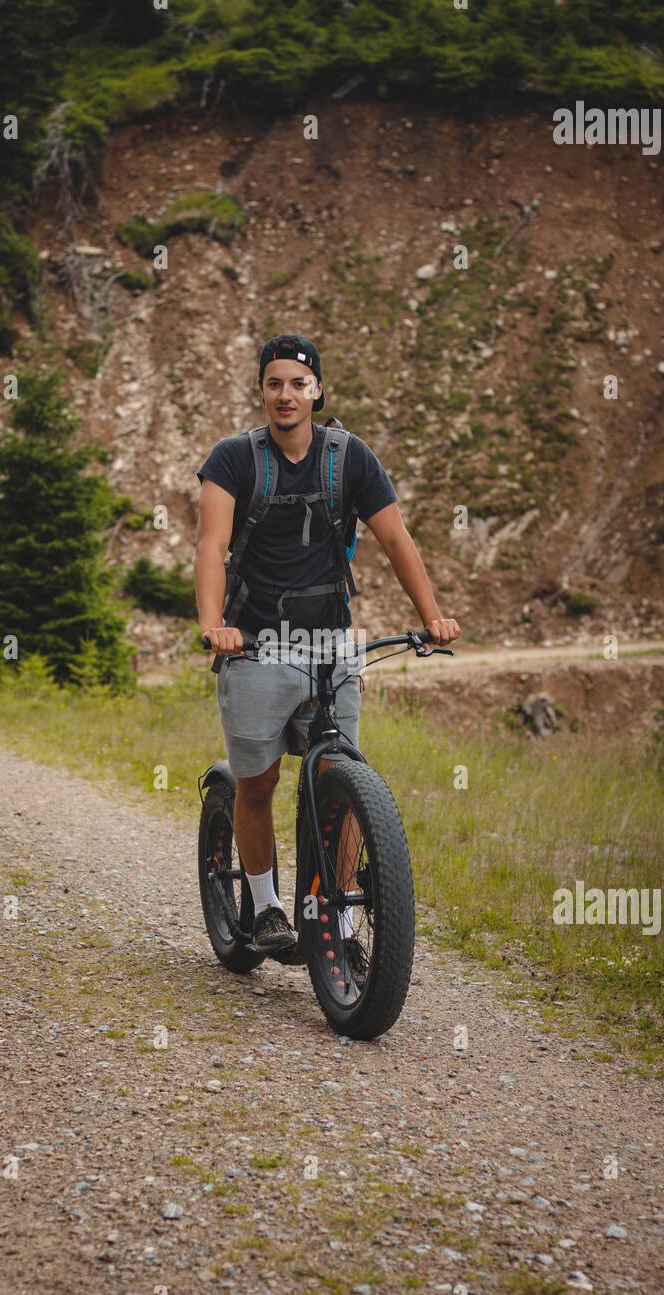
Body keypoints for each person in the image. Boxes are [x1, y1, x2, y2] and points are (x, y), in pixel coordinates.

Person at [195, 333, 460, 955]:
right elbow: (210, 547)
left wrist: (433, 617)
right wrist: (215, 623)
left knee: (342, 778)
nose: (285, 394)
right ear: (261, 390)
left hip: (332, 642)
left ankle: (337, 925)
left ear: (317, 390)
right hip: (256, 643)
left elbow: (397, 540)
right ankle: (265, 909)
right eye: (274, 383)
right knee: (258, 786)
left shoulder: (350, 458)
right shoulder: (233, 459)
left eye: (298, 383)